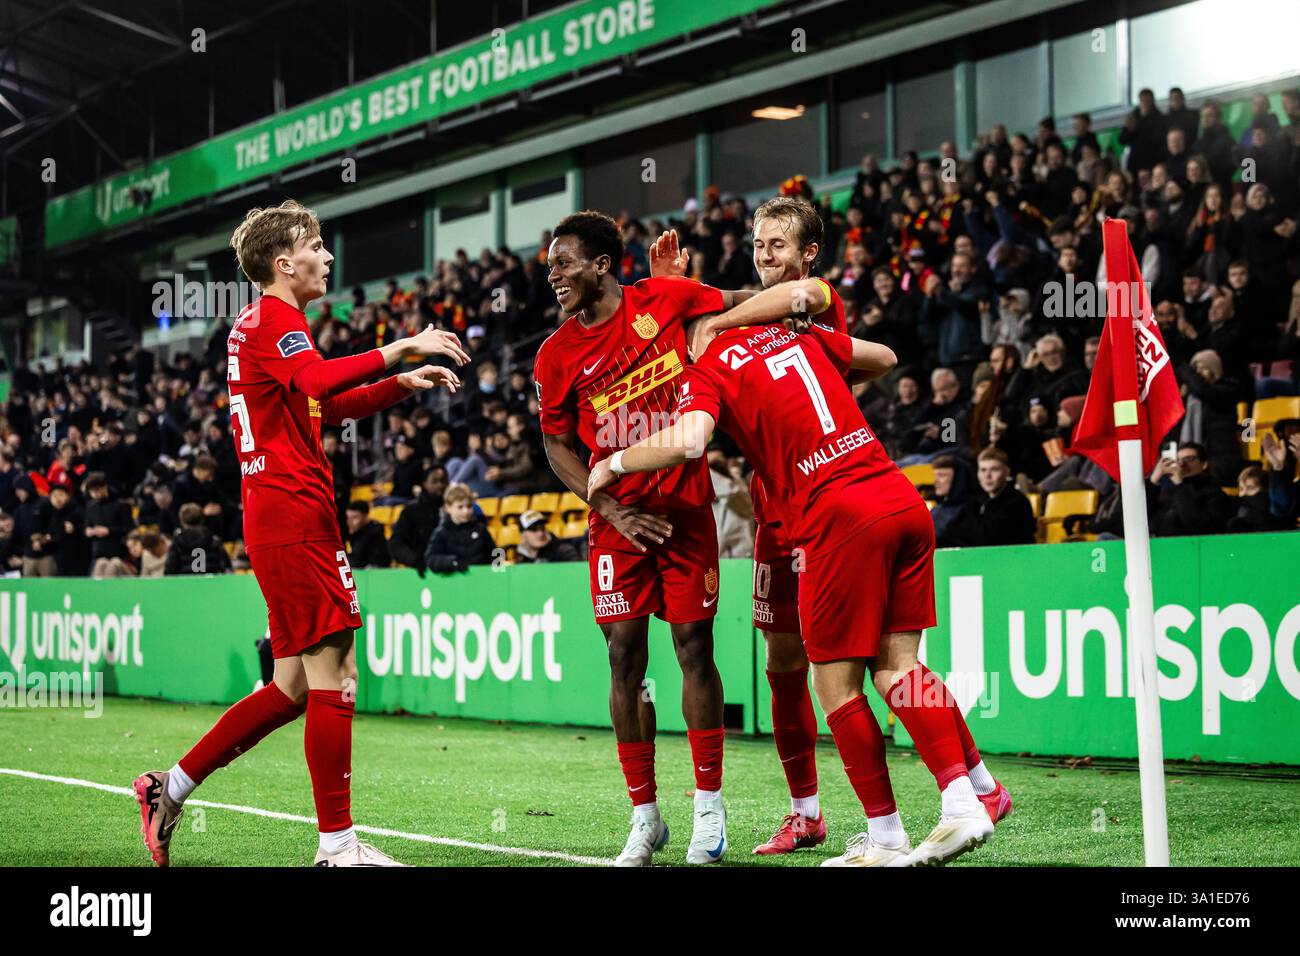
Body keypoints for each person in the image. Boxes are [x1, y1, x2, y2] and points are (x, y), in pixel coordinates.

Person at [591, 315, 1009, 868]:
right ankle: (969, 791)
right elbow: (883, 358)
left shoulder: (708, 365)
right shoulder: (799, 333)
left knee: (833, 682)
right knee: (899, 667)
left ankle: (900, 830)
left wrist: (613, 463)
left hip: (836, 515)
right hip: (899, 497)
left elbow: (690, 439)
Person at [133, 199, 466, 869]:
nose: (328, 257)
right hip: (292, 515)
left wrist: (399, 382)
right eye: (316, 246)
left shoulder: (264, 324)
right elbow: (316, 379)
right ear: (284, 264)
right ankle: (338, 847)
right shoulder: (273, 320)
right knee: (335, 673)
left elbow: (321, 401)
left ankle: (166, 788)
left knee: (289, 687)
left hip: (283, 514)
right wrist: (403, 343)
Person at [533, 210, 753, 866]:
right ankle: (645, 816)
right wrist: (607, 504)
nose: (555, 277)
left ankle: (708, 809)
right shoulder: (554, 355)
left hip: (684, 508)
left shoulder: (665, 298)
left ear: (602, 263)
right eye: (550, 268)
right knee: (624, 657)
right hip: (615, 523)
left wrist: (802, 295)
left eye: (565, 264)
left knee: (693, 647)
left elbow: (735, 304)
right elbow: (555, 442)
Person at [940, 448, 1037, 547]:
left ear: (1007, 472)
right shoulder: (975, 503)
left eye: (994, 469)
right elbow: (949, 533)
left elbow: (987, 540)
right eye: (983, 470)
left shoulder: (1018, 503)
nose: (987, 476)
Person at [1149, 442, 1234, 537]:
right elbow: (1142, 517)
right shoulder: (1168, 492)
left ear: (1204, 464)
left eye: (1188, 459)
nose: (1181, 464)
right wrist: (1153, 481)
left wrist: (1179, 485)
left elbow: (1195, 524)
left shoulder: (1216, 494)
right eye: (1177, 460)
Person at [423, 482, 494, 573]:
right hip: (453, 582)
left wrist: (498, 563)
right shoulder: (441, 533)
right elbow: (430, 559)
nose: (466, 511)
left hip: (480, 580)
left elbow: (495, 553)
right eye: (460, 507)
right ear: (448, 507)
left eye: (469, 506)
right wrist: (452, 562)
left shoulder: (481, 529)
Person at [387, 467, 447, 571]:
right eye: (434, 481)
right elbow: (396, 544)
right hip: (419, 572)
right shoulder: (411, 511)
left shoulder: (455, 510)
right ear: (424, 483)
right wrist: (414, 560)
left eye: (443, 481)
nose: (440, 485)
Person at [164, 501, 231, 575]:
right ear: (202, 519)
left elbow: (170, 570)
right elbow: (226, 567)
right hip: (211, 584)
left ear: (182, 521)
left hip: (185, 584)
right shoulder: (214, 540)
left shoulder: (176, 543)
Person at [514, 509, 580, 563]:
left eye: (542, 528)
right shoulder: (521, 556)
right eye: (533, 529)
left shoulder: (564, 551)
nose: (540, 533)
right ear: (522, 534)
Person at [343, 501, 391, 569]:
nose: (350, 522)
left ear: (365, 516)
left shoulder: (375, 533)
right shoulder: (354, 532)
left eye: (355, 517)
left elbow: (358, 560)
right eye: (348, 518)